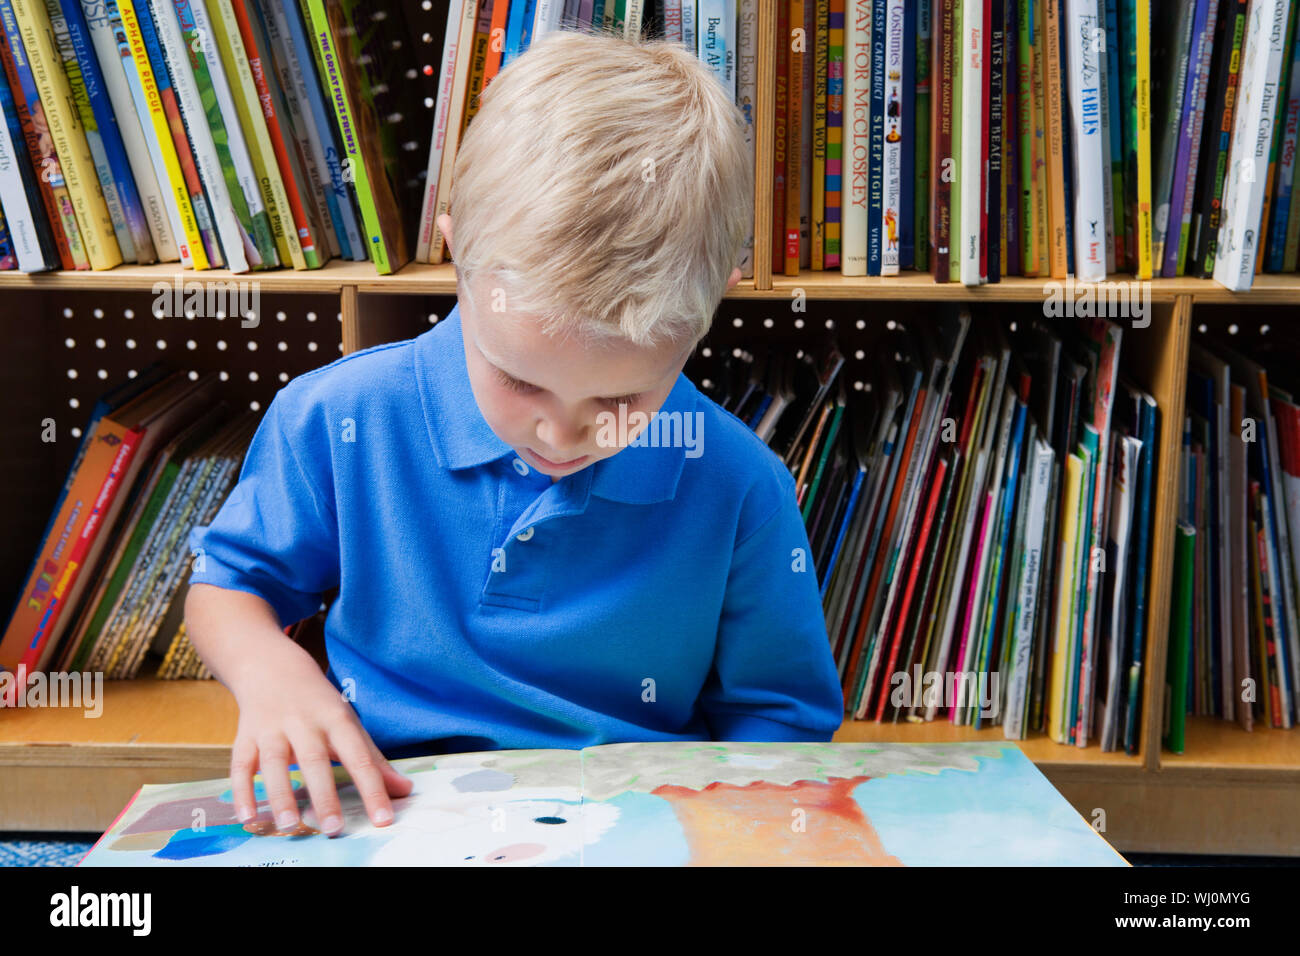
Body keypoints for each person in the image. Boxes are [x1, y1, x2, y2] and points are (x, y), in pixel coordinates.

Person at [185, 27, 843, 839]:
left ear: (712, 310)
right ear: (458, 255)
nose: (562, 432)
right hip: (389, 819)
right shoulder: (339, 419)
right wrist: (268, 671)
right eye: (521, 380)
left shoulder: (740, 485)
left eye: (624, 396)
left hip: (633, 832)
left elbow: (777, 722)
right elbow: (229, 587)